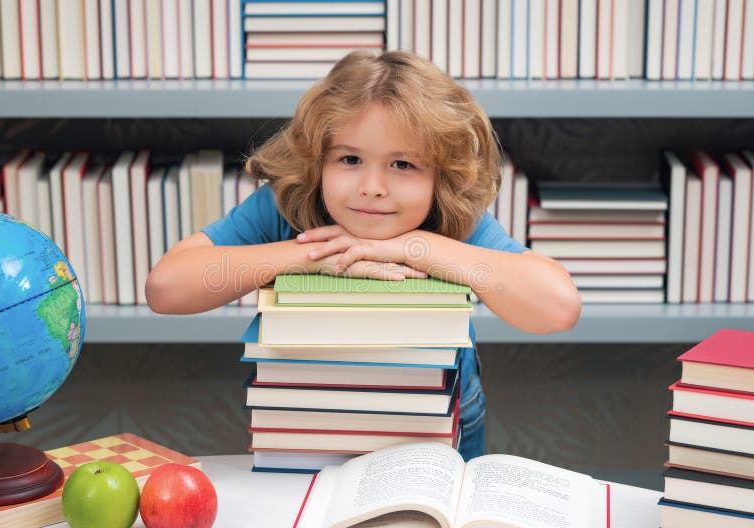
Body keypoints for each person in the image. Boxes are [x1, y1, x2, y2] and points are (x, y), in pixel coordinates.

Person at [146, 50, 581, 461]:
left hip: (439, 427)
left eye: (403, 165)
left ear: (441, 175)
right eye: (350, 159)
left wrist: (420, 247)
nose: (372, 186)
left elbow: (558, 307)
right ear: (317, 161)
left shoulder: (452, 220)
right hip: (307, 424)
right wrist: (307, 255)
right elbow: (166, 289)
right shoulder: (288, 206)